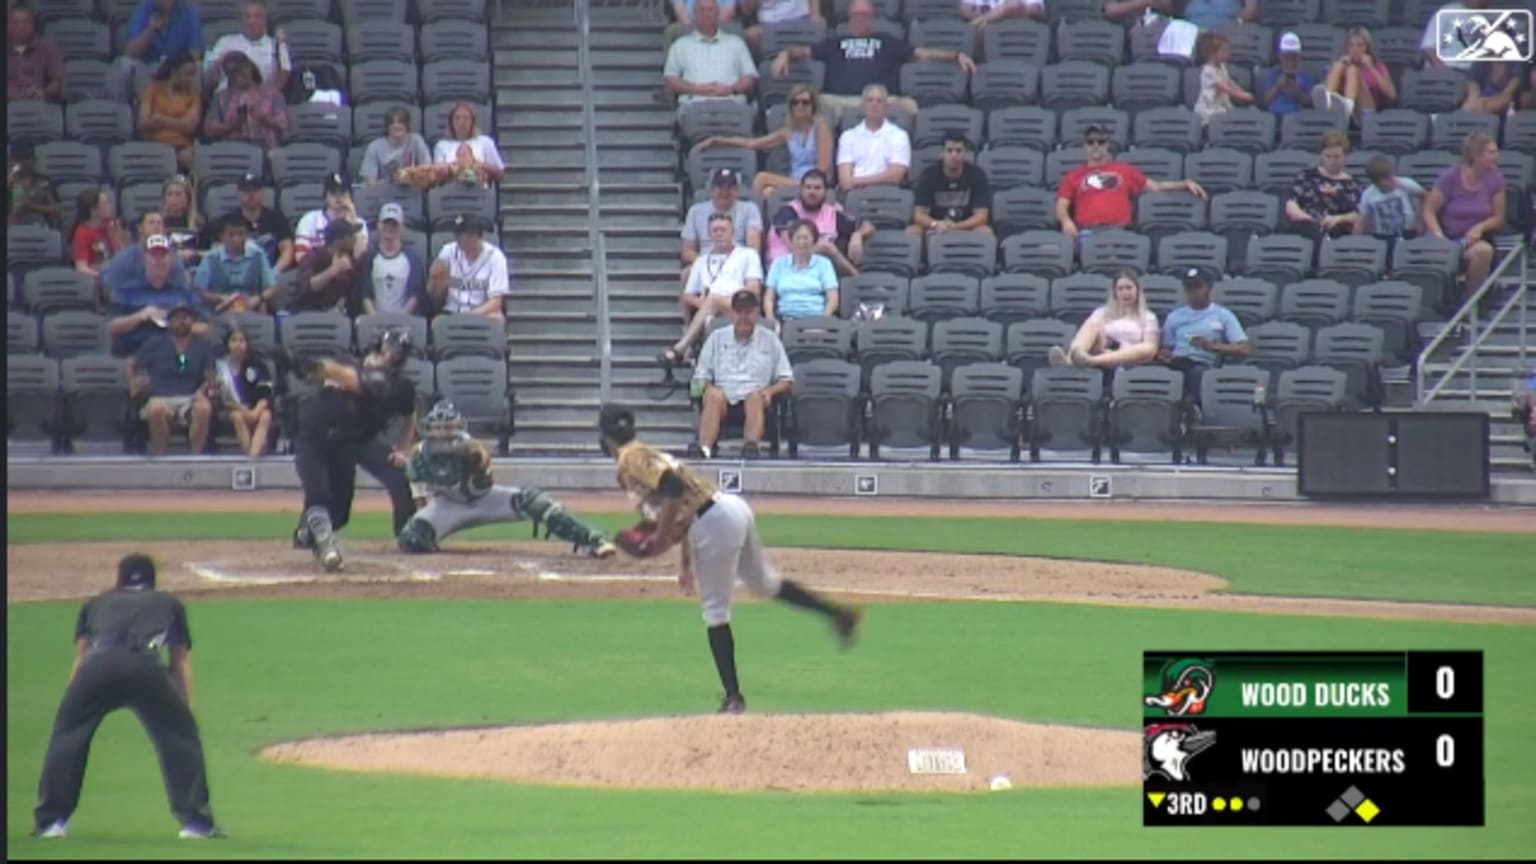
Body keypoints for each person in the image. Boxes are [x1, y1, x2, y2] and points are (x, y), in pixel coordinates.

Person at [600, 401, 861, 713]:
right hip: (730, 508)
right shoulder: (645, 453)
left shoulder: (629, 459)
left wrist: (658, 541)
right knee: (764, 585)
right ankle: (838, 615)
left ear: (604, 437)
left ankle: (733, 698)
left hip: (712, 522)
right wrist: (684, 560)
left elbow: (674, 489)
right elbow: (682, 504)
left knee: (715, 611)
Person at [31, 554, 221, 841]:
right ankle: (196, 824)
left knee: (67, 738)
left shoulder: (95, 603)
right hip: (144, 667)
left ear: (118, 580)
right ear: (153, 580)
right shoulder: (168, 603)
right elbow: (179, 661)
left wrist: (71, 706)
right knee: (180, 739)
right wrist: (185, 712)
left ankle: (51, 823)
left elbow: (81, 658)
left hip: (96, 667)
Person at [397, 401, 617, 558]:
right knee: (412, 538)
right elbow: (417, 486)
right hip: (449, 504)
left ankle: (591, 539)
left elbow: (483, 482)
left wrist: (473, 459)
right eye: (438, 428)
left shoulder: (471, 448)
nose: (443, 433)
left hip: (484, 499)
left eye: (448, 427)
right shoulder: (420, 453)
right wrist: (424, 515)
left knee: (535, 501)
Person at [290, 329, 419, 572]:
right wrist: (304, 368)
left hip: (357, 440)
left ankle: (407, 533)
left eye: (395, 353)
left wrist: (403, 449)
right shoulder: (348, 361)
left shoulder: (393, 384)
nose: (388, 356)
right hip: (315, 436)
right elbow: (323, 375)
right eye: (387, 349)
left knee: (341, 512)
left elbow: (343, 375)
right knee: (318, 492)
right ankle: (322, 541)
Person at [769, 0, 974, 118]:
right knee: (809, 104)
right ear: (850, 17)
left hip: (881, 100)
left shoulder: (887, 41)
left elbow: (922, 54)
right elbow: (803, 52)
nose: (861, 19)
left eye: (865, 15)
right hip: (839, 101)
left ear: (872, 18)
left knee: (910, 106)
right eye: (857, 15)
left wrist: (955, 55)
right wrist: (785, 54)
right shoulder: (834, 42)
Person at [1057, 124, 1206, 243]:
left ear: (1107, 145)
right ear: (1085, 146)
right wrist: (1066, 221)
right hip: (1088, 232)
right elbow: (1061, 206)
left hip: (1119, 231)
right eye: (1090, 142)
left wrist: (1184, 183)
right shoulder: (1073, 176)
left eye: (1100, 141)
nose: (1095, 145)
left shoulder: (1124, 170)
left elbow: (1155, 187)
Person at [691, 289, 792, 459]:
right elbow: (700, 377)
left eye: (748, 311)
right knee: (713, 396)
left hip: (757, 399)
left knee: (755, 396)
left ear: (757, 313)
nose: (743, 316)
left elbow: (787, 380)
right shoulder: (716, 337)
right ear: (732, 313)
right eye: (739, 311)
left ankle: (750, 447)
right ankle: (704, 448)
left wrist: (770, 391)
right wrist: (706, 389)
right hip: (723, 397)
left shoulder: (771, 339)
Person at [696, 82, 834, 202]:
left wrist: (808, 185)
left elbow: (821, 171)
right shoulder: (787, 133)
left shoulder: (821, 129)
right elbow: (753, 143)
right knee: (767, 193)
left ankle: (752, 214)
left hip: (814, 184)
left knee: (762, 178)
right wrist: (718, 140)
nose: (800, 106)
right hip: (794, 181)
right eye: (795, 102)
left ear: (813, 107)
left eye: (805, 102)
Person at [663, 212, 763, 367]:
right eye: (715, 230)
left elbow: (753, 289)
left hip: (741, 305)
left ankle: (681, 348)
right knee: (711, 302)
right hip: (709, 308)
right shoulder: (701, 261)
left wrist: (720, 300)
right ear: (709, 234)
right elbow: (687, 295)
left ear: (733, 233)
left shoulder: (748, 255)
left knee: (714, 299)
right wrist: (702, 303)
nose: (719, 234)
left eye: (723, 230)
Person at [1421, 133, 1506, 302]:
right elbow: (1428, 210)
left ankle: (1471, 300)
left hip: (1472, 241)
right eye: (1491, 152)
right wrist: (1438, 235)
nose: (1497, 156)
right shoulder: (1450, 177)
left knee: (1483, 252)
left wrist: (1480, 227)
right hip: (1445, 236)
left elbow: (1498, 218)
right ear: (1476, 155)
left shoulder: (1496, 179)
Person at [127, 301, 218, 455]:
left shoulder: (203, 345)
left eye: (186, 317)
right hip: (160, 396)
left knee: (204, 408)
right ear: (169, 321)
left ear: (192, 321)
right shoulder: (155, 343)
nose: (182, 321)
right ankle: (160, 455)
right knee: (156, 409)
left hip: (190, 397)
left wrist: (202, 391)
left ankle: (196, 456)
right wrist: (133, 388)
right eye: (177, 317)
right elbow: (131, 364)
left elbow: (210, 375)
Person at [1157, 267, 1251, 401]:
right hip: (1177, 361)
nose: (1193, 291)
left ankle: (1195, 407)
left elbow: (1244, 348)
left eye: (1197, 286)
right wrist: (1164, 354)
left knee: (1197, 373)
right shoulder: (1174, 316)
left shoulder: (1223, 315)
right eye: (1189, 287)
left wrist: (1212, 346)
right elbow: (1167, 347)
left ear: (1209, 288)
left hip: (1204, 364)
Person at [1047, 270, 1161, 372]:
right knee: (1094, 323)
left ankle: (1091, 361)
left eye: (1129, 288)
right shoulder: (1101, 312)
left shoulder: (1148, 317)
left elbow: (1150, 349)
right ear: (1115, 292)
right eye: (1120, 289)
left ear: (1137, 290)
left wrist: (1117, 352)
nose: (1125, 292)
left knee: (1148, 348)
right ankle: (1069, 360)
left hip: (1129, 356)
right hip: (1103, 348)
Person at [766, 169, 871, 273]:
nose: (812, 192)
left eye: (817, 188)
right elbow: (795, 248)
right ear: (801, 190)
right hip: (784, 271)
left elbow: (868, 226)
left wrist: (858, 234)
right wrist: (828, 250)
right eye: (808, 187)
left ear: (825, 192)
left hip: (817, 272)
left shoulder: (831, 214)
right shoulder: (787, 212)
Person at [663, 0, 757, 116]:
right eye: (702, 10)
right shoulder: (680, 45)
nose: (706, 14)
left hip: (731, 104)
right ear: (694, 15)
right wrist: (697, 89)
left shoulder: (737, 43)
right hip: (693, 106)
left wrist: (730, 89)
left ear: (718, 14)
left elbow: (750, 78)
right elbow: (670, 80)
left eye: (711, 10)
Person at [679, 167, 764, 285]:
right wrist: (707, 263)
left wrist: (729, 264)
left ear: (737, 190)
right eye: (720, 187)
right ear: (712, 190)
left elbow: (753, 249)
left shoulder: (750, 209)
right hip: (706, 262)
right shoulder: (695, 211)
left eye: (729, 188)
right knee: (686, 274)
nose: (724, 192)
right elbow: (687, 252)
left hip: (738, 262)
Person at [201, 172, 294, 273]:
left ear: (262, 193)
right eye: (246, 190)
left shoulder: (276, 218)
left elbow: (287, 249)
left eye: (255, 190)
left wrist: (273, 272)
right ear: (238, 194)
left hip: (271, 272)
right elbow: (215, 250)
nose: (251, 194)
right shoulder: (227, 221)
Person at [908, 132, 993, 237]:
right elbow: (919, 215)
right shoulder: (928, 175)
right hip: (936, 226)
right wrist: (936, 224)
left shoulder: (977, 175)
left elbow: (981, 216)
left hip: (966, 226)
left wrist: (956, 227)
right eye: (949, 150)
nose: (954, 155)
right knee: (913, 231)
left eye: (958, 151)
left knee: (985, 231)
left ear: (965, 153)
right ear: (942, 153)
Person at [428, 214, 511, 318]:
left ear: (477, 236)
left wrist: (468, 316)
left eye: (466, 234)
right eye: (458, 234)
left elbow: (496, 302)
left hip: (482, 311)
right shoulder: (448, 251)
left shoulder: (495, 257)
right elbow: (434, 295)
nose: (460, 238)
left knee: (497, 317)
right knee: (438, 321)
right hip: (452, 310)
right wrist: (435, 279)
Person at [1283, 129, 1360, 241]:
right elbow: (1291, 205)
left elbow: (1358, 214)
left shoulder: (1352, 184)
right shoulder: (1306, 176)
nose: (1332, 161)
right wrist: (1310, 220)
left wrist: (1338, 219)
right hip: (1307, 225)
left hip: (1336, 229)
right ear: (1321, 155)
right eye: (1328, 156)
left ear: (1345, 157)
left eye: (1336, 157)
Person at [202, 51, 289, 152]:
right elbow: (209, 129)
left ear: (249, 67)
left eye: (240, 70)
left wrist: (266, 120)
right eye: (231, 72)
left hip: (267, 147)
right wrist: (232, 125)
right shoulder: (221, 97)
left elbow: (284, 126)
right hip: (234, 149)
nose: (237, 75)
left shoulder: (273, 94)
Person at [203, 0, 289, 96]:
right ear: (242, 20)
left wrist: (279, 48)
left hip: (261, 98)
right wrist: (221, 60)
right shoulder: (225, 42)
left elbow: (282, 81)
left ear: (266, 19)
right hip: (226, 97)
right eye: (247, 16)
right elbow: (208, 80)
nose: (251, 21)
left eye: (257, 16)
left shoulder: (276, 45)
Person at [836, 84, 912, 191]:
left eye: (879, 101)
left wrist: (856, 181)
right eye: (870, 100)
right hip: (855, 193)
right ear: (863, 106)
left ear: (886, 106)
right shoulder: (848, 136)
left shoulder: (900, 136)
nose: (874, 104)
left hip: (887, 192)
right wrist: (854, 182)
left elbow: (896, 176)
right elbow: (844, 180)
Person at [195, 214, 278, 312]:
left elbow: (271, 287)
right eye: (231, 235)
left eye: (241, 234)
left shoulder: (258, 254)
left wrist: (258, 299)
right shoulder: (211, 257)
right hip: (219, 311)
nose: (236, 239)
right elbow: (199, 291)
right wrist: (221, 298)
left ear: (247, 235)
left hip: (252, 310)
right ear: (222, 237)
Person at [764, 219, 839, 326]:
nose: (802, 242)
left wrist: (824, 320)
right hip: (785, 318)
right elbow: (769, 297)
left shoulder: (824, 264)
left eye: (806, 238)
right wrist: (770, 318)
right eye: (798, 238)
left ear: (814, 241)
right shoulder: (778, 263)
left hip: (816, 319)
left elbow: (833, 298)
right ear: (791, 241)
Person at [358, 203, 429, 316]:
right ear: (378, 225)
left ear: (402, 227)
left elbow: (414, 296)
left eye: (394, 224)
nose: (390, 227)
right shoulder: (369, 258)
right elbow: (365, 294)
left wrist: (400, 320)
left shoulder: (413, 260)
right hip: (374, 320)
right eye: (386, 223)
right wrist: (374, 319)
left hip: (404, 321)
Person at [215, 328, 273, 459]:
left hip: (254, 408)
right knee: (238, 417)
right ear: (227, 344)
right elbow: (224, 398)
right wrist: (243, 410)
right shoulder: (220, 367)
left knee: (266, 415)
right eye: (233, 340)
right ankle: (249, 456)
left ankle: (253, 456)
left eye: (241, 341)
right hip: (231, 409)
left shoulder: (257, 364)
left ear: (247, 344)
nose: (238, 344)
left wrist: (255, 412)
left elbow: (265, 394)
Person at [1314, 28, 1395, 121]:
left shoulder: (1378, 66)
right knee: (1339, 65)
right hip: (1340, 112)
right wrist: (1339, 66)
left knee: (1353, 70)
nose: (1355, 49)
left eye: (1360, 45)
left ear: (1367, 47)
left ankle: (1348, 107)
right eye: (1351, 45)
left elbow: (1392, 94)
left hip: (1366, 113)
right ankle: (1328, 102)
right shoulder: (1341, 65)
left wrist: (1371, 68)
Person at [138, 53, 203, 172]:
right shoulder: (153, 90)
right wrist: (179, 123)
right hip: (155, 144)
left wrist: (160, 119)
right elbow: (143, 122)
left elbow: (190, 126)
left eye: (192, 75)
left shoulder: (193, 96)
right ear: (174, 73)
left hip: (181, 146)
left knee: (190, 158)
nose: (190, 79)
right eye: (187, 75)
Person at [291, 219, 363, 315]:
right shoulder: (312, 257)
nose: (354, 239)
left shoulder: (350, 260)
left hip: (338, 314)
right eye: (350, 236)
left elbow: (350, 292)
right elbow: (309, 287)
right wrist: (334, 269)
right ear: (339, 240)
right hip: (309, 312)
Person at [294, 172, 368, 263]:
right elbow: (301, 258)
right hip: (318, 270)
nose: (338, 198)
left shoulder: (359, 223)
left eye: (342, 193)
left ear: (350, 196)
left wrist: (353, 218)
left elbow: (361, 259)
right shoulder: (309, 220)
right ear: (325, 196)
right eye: (333, 193)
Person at [1354, 156, 1427, 248]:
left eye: (1393, 176)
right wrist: (1355, 242)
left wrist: (1420, 220)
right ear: (1377, 182)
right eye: (1388, 179)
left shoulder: (1406, 184)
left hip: (1407, 232)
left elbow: (1425, 197)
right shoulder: (1368, 195)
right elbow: (1361, 222)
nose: (1393, 181)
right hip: (1382, 236)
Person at [427, 102, 504, 188]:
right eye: (457, 118)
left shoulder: (485, 142)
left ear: (472, 122)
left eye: (466, 118)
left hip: (480, 191)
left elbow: (500, 173)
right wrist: (455, 166)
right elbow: (436, 176)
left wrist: (479, 165)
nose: (461, 122)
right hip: (450, 191)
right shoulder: (441, 145)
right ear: (451, 122)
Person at [1193, 31, 1252, 126]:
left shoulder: (1222, 66)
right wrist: (1242, 95)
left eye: (1228, 50)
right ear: (1212, 53)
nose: (1228, 53)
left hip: (1221, 103)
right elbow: (1224, 88)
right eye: (1224, 50)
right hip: (1210, 107)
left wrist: (1241, 91)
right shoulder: (1208, 71)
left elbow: (1229, 82)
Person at [361, 106, 432, 185]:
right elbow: (371, 183)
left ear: (407, 124)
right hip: (384, 190)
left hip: (412, 189)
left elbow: (428, 173)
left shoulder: (417, 141)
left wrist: (412, 176)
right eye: (392, 123)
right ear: (387, 126)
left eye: (400, 122)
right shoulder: (374, 147)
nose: (396, 126)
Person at [7, 3, 63, 102]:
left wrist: (44, 93)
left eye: (26, 22)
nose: (21, 26)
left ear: (32, 24)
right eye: (16, 22)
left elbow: (56, 82)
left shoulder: (47, 47)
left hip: (36, 103)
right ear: (9, 25)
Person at [72, 187, 130, 280]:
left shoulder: (112, 225)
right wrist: (103, 276)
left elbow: (124, 258)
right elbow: (81, 268)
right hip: (97, 277)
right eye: (106, 203)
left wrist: (114, 237)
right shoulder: (82, 232)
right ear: (93, 210)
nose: (110, 206)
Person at [1258, 32, 1317, 118]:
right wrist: (1278, 86)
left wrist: (1295, 90)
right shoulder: (1273, 74)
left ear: (1299, 57)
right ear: (1280, 56)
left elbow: (1309, 103)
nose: (1290, 61)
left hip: (1296, 116)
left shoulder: (1305, 75)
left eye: (1293, 57)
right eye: (1286, 57)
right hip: (1274, 115)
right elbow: (1266, 101)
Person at [8, 143, 60, 227]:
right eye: (18, 160)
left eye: (26, 159)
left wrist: (33, 207)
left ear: (34, 159)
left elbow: (56, 211)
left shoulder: (44, 181)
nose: (22, 163)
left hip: (39, 227)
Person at [742, 0, 821, 55]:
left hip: (799, 20)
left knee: (818, 29)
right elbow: (747, 11)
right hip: (768, 26)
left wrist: (815, 15)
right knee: (751, 34)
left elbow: (815, 18)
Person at [160, 174, 204, 266]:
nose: (173, 199)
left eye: (178, 194)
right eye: (170, 194)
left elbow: (205, 253)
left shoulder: (200, 224)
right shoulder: (157, 223)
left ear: (188, 198)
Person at [959, 0, 1044, 30]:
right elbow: (965, 9)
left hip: (1016, 33)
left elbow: (1035, 9)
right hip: (983, 34)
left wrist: (983, 18)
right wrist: (1003, 12)